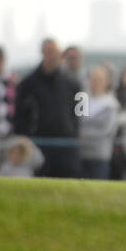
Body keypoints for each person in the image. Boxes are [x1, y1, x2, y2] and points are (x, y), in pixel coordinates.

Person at [12, 38, 82, 178]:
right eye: (50, 52)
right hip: (38, 145)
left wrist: (74, 134)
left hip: (66, 147)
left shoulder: (74, 83)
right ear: (43, 53)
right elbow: (19, 115)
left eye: (56, 53)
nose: (54, 56)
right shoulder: (27, 84)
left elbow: (81, 113)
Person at [78, 64, 120, 180]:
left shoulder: (111, 104)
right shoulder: (82, 100)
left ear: (107, 81)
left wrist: (84, 134)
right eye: (92, 79)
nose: (95, 82)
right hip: (81, 154)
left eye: (99, 79)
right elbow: (77, 123)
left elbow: (107, 131)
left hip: (100, 156)